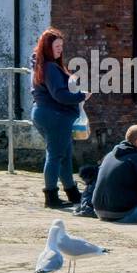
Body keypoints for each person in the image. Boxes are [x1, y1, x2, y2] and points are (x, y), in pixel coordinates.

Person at [29, 28, 91, 208]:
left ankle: (71, 192)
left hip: (44, 113)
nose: (60, 49)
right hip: (55, 116)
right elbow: (60, 95)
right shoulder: (50, 67)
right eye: (57, 46)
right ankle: (51, 197)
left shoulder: (42, 65)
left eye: (62, 46)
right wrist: (81, 96)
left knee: (63, 155)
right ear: (47, 47)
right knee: (56, 155)